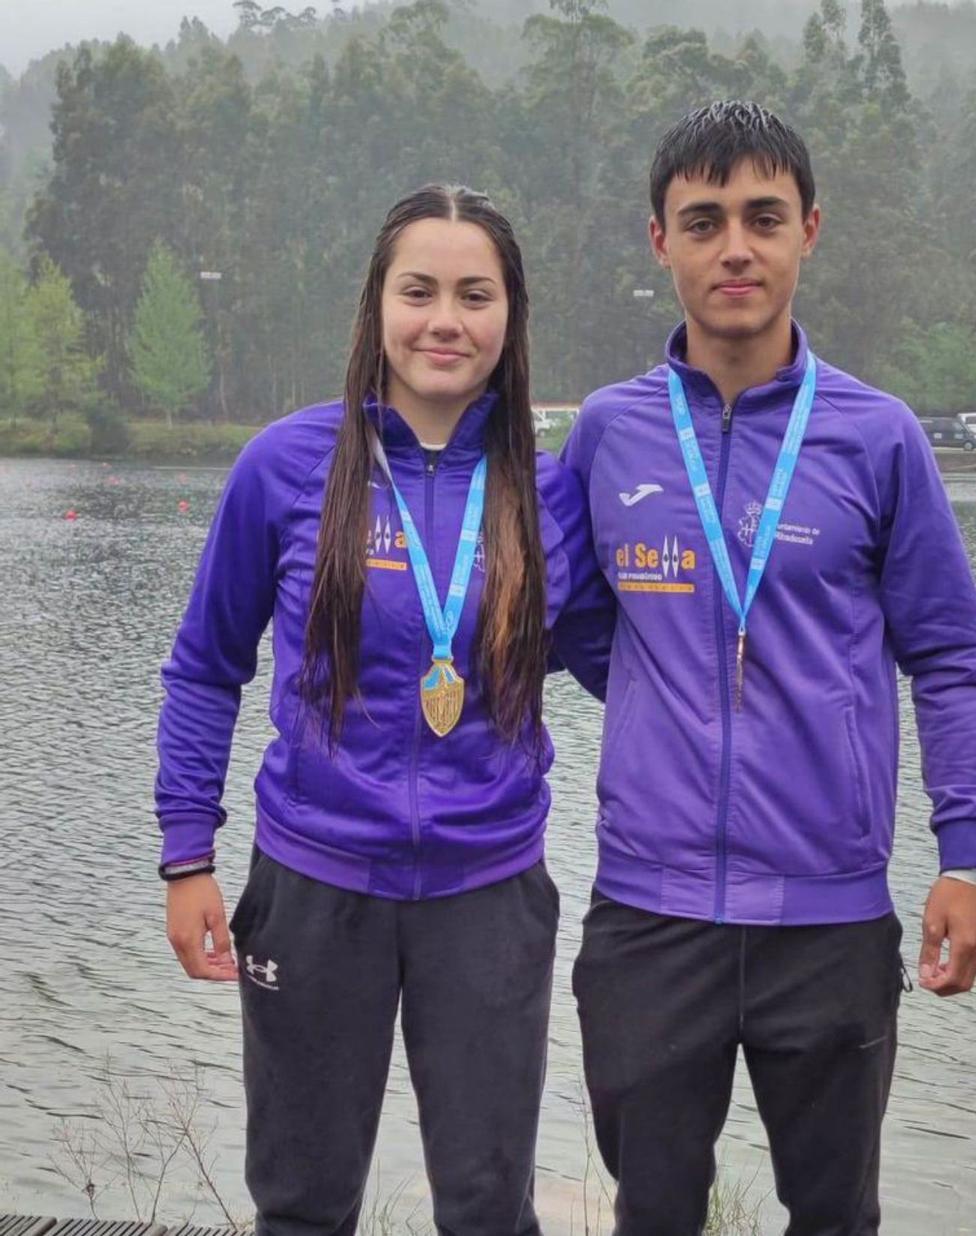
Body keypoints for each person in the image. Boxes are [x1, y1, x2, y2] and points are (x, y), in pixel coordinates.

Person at [562, 101, 976, 1234]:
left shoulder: (878, 435)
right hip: (650, 915)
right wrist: (674, 695)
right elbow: (563, 613)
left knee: (835, 1214)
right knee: (652, 1213)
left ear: (809, 229)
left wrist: (966, 856)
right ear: (659, 241)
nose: (736, 249)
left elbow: (951, 657)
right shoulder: (608, 434)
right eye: (703, 221)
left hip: (830, 914)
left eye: (763, 217)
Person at [155, 184, 612, 1236]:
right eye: (419, 290)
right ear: (378, 305)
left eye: (474, 294)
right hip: (313, 883)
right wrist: (188, 856)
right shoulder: (286, 467)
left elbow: (631, 672)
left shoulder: (548, 496)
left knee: (490, 1207)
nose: (445, 320)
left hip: (490, 892)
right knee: (304, 1203)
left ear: (511, 316)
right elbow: (203, 669)